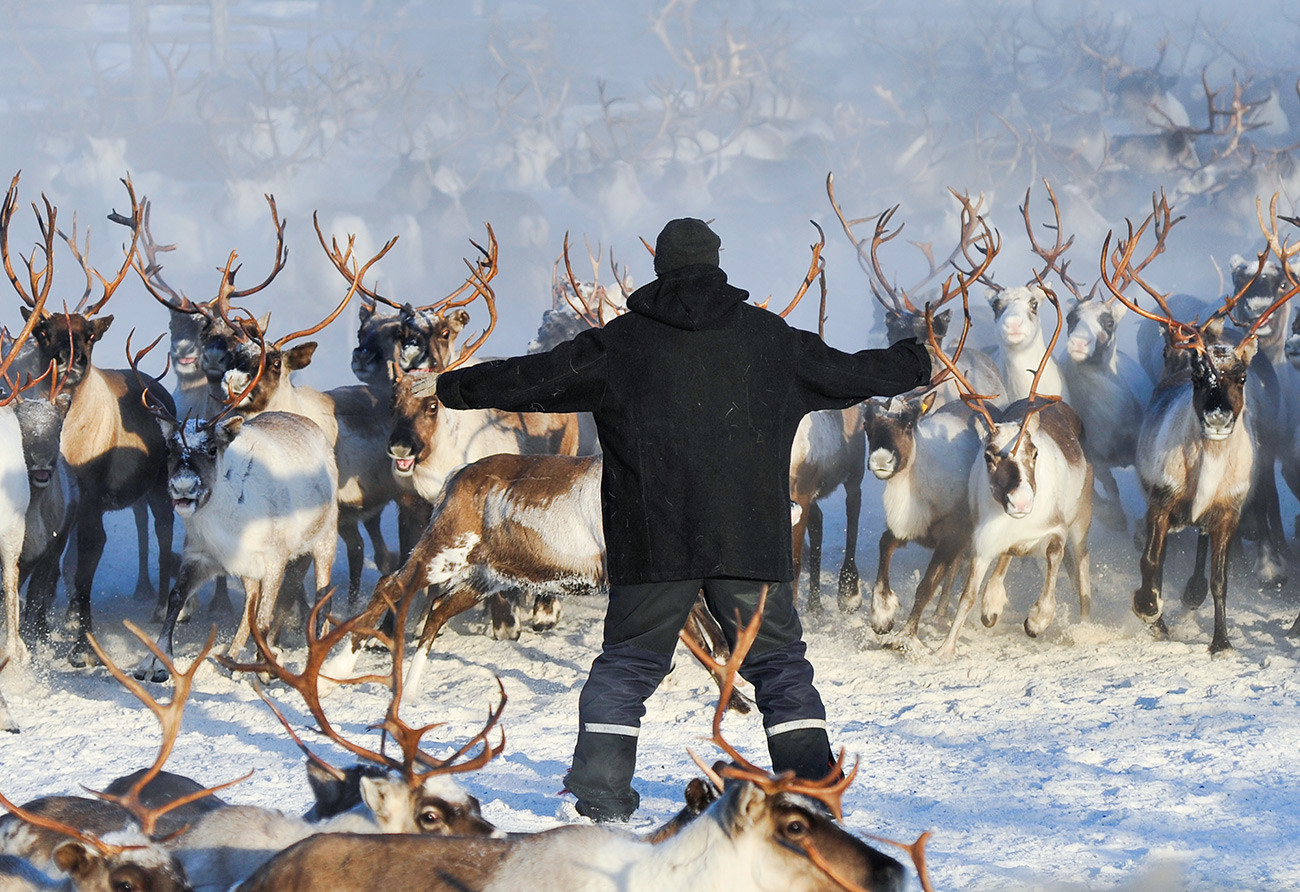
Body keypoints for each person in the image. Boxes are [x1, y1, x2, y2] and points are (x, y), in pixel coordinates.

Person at [435, 217, 931, 822]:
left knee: (627, 663)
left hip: (652, 542)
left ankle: (598, 795)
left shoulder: (620, 344)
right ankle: (811, 788)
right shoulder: (770, 341)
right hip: (749, 541)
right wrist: (913, 359)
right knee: (777, 665)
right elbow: (854, 373)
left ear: (660, 270)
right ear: (717, 264)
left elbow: (533, 378)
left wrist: (454, 387)